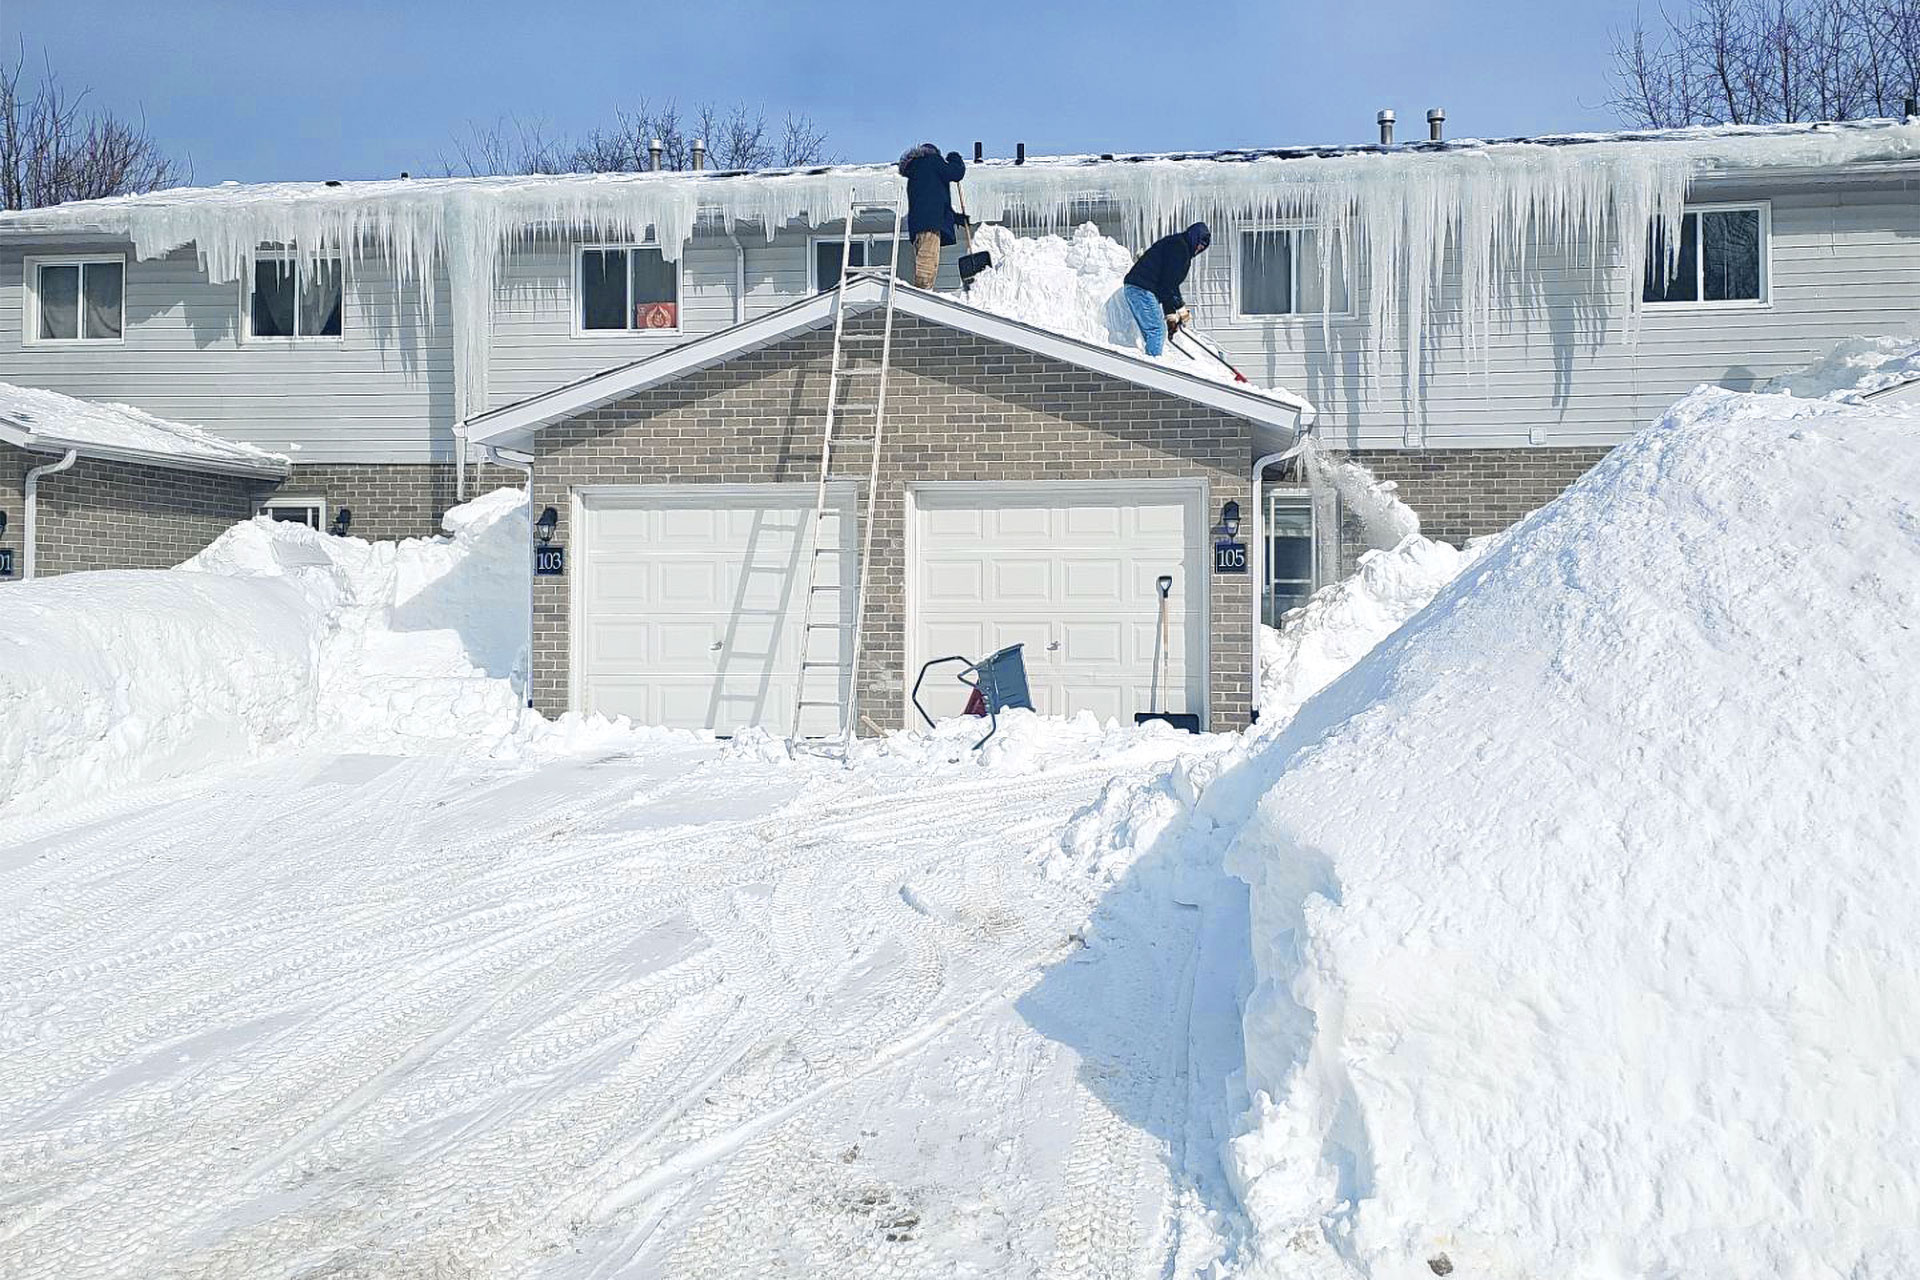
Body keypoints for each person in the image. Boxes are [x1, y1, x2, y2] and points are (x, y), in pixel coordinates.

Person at [1123, 222, 1211, 356]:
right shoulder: (1179, 248)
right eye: (1200, 242)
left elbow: (1169, 285)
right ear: (1194, 236)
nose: (1200, 247)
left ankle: (1151, 360)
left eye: (1204, 246)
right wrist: (1176, 311)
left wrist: (1173, 314)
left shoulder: (1181, 248)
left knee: (1153, 332)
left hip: (1140, 288)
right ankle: (1153, 370)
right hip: (1141, 289)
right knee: (1157, 330)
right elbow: (1167, 284)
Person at [897, 142, 967, 288]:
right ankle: (922, 298)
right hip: (929, 227)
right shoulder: (931, 161)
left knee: (926, 262)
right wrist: (955, 158)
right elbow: (955, 173)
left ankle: (924, 292)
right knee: (927, 266)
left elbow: (933, 201)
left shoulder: (917, 172)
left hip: (919, 226)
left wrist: (955, 218)